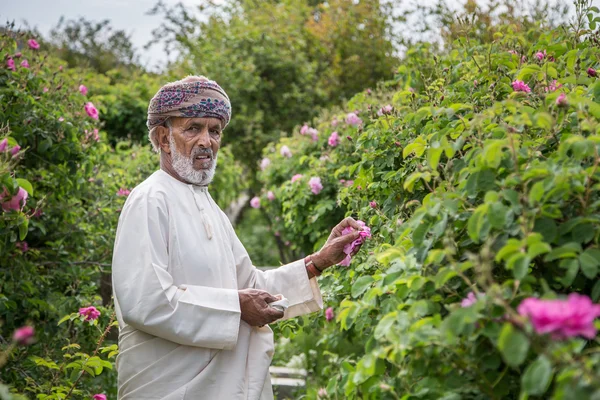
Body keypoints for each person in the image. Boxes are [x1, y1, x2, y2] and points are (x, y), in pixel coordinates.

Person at [111, 75, 366, 399]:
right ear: (163, 137)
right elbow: (146, 302)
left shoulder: (210, 208)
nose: (207, 141)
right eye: (193, 128)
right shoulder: (150, 199)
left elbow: (251, 288)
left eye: (214, 130)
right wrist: (235, 307)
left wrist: (317, 263)